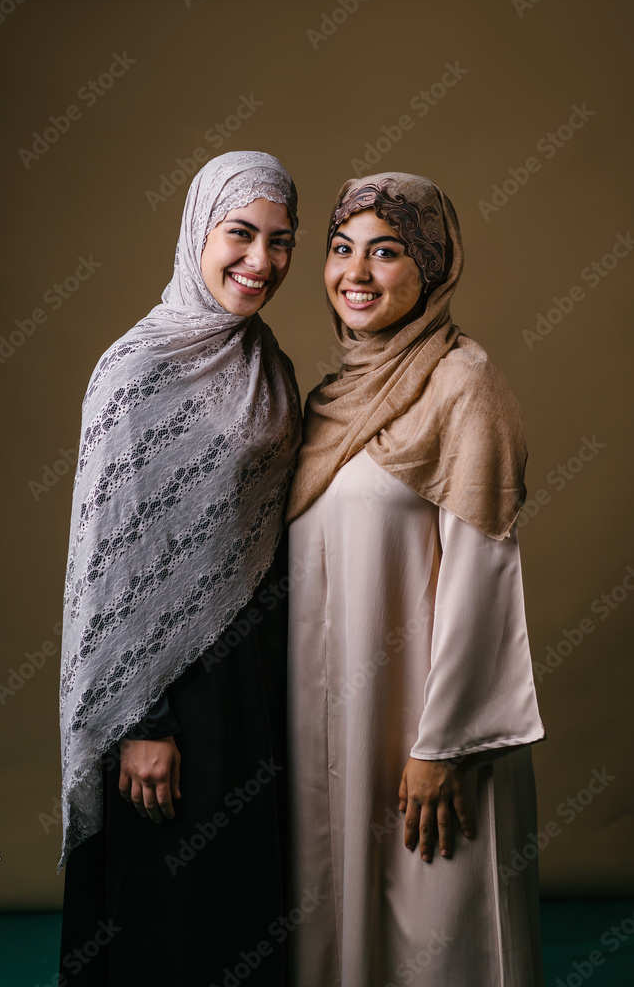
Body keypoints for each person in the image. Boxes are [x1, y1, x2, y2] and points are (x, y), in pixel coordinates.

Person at [286, 172, 546, 986]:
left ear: (431, 267)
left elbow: (483, 579)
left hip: (422, 730)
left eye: (386, 253)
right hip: (323, 721)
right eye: (340, 250)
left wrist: (443, 746)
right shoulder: (333, 394)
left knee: (433, 927)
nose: (354, 274)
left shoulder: (463, 385)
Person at [58, 150, 301, 986]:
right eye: (239, 234)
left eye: (280, 240)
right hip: (169, 692)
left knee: (248, 907)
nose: (260, 261)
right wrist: (142, 724)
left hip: (256, 684)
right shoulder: (137, 370)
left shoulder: (268, 362)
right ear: (198, 230)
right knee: (175, 912)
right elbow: (112, 558)